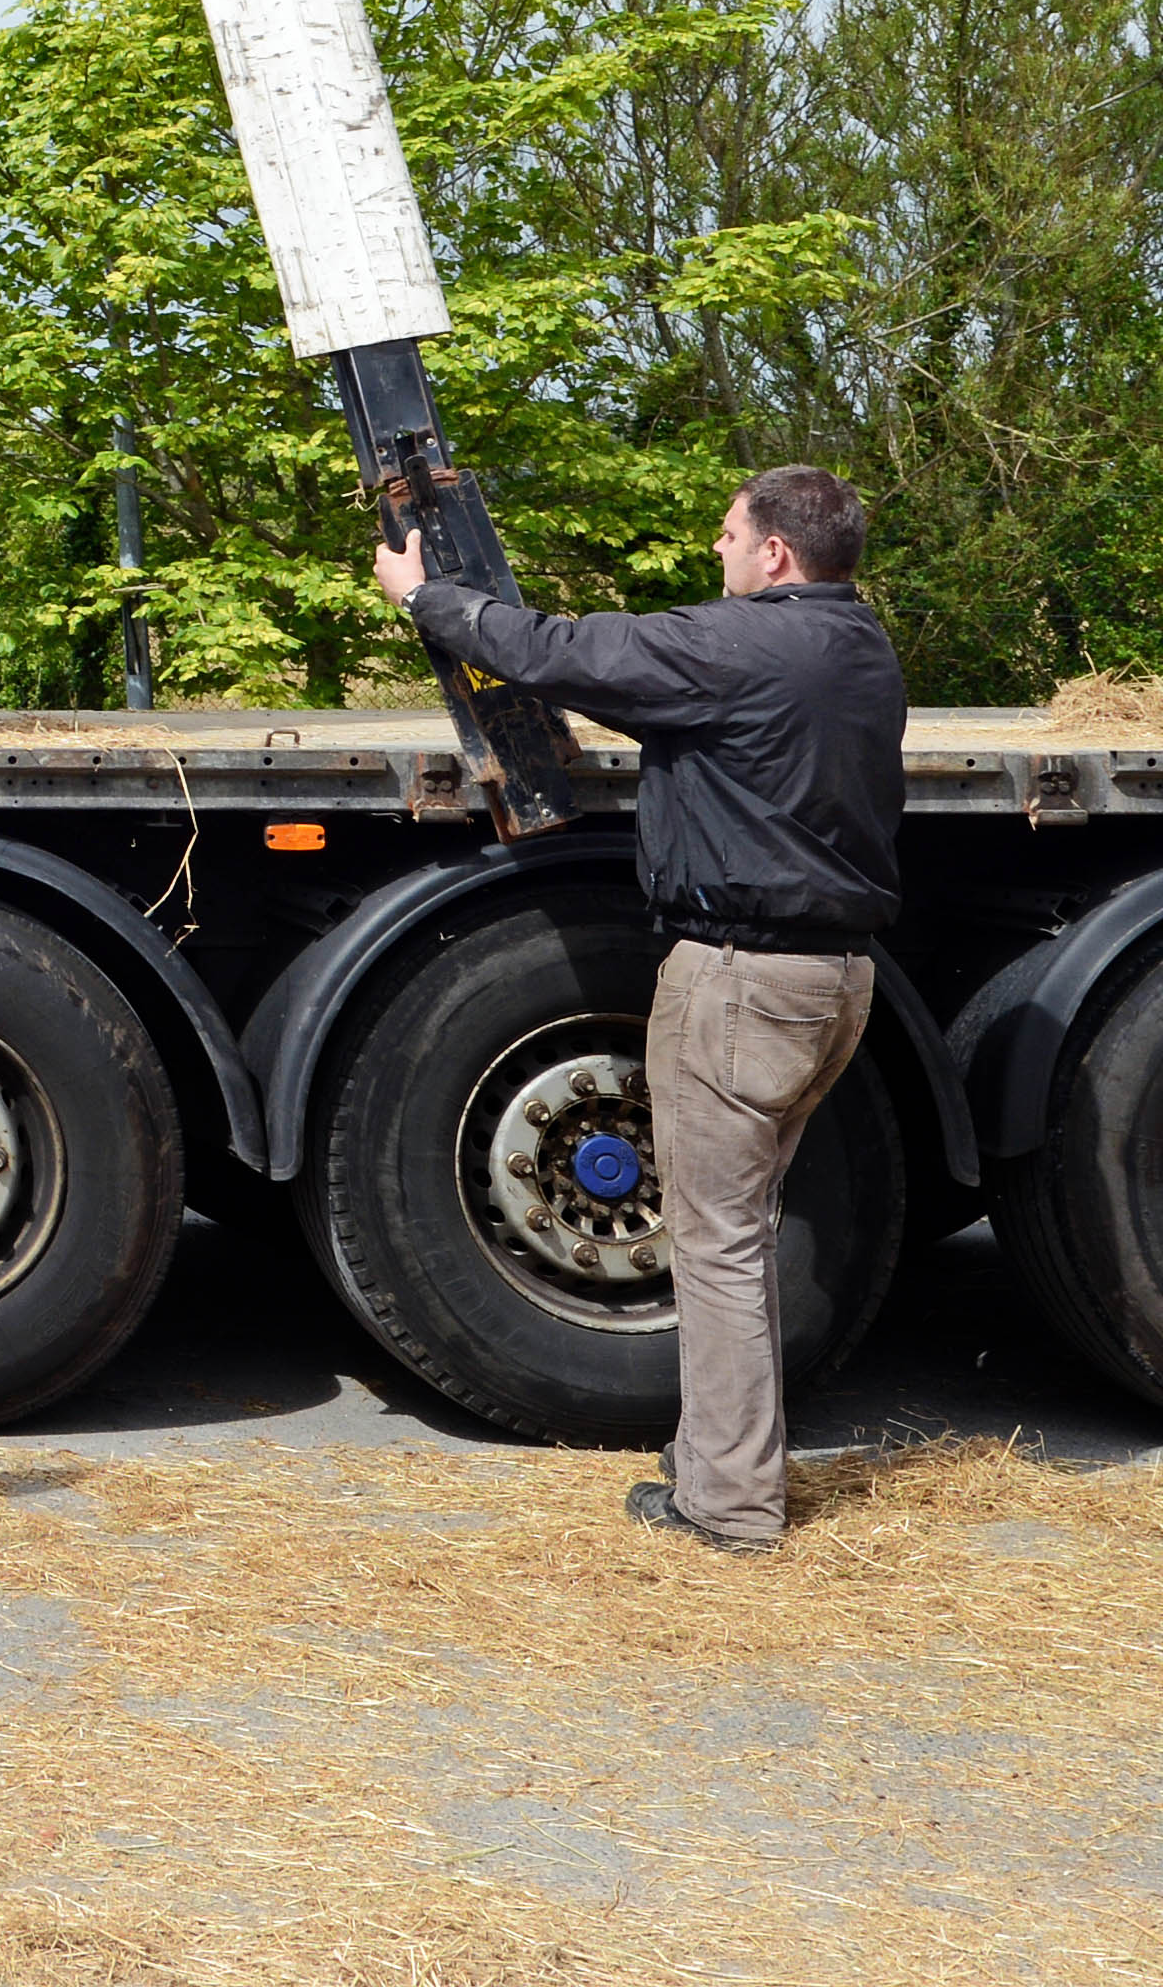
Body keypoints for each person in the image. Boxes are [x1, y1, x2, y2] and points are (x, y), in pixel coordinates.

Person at [371, 465, 902, 1556]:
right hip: (835, 978)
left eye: (727, 534)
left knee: (716, 1247)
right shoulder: (860, 646)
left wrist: (423, 596)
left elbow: (561, 652)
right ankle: (716, 1460)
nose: (715, 551)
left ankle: (729, 1505)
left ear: (775, 553)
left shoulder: (740, 643)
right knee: (740, 1232)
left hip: (743, 980)